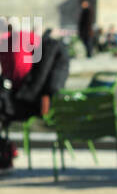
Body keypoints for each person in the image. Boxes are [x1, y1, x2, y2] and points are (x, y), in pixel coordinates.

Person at [0, 24, 70, 165]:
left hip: (29, 103)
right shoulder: (49, 48)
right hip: (36, 101)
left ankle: (5, 151)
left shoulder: (11, 40)